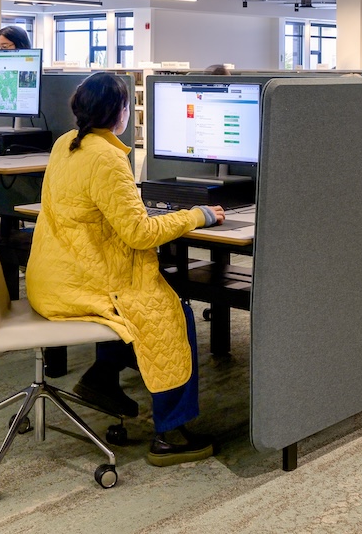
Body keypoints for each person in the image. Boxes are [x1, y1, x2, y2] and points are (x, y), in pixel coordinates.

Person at [26, 71, 225, 466]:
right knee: (169, 314)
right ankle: (170, 432)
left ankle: (103, 377)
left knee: (141, 301)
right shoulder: (107, 158)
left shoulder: (66, 143)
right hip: (85, 281)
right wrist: (196, 216)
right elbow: (138, 233)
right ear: (118, 113)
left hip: (54, 274)